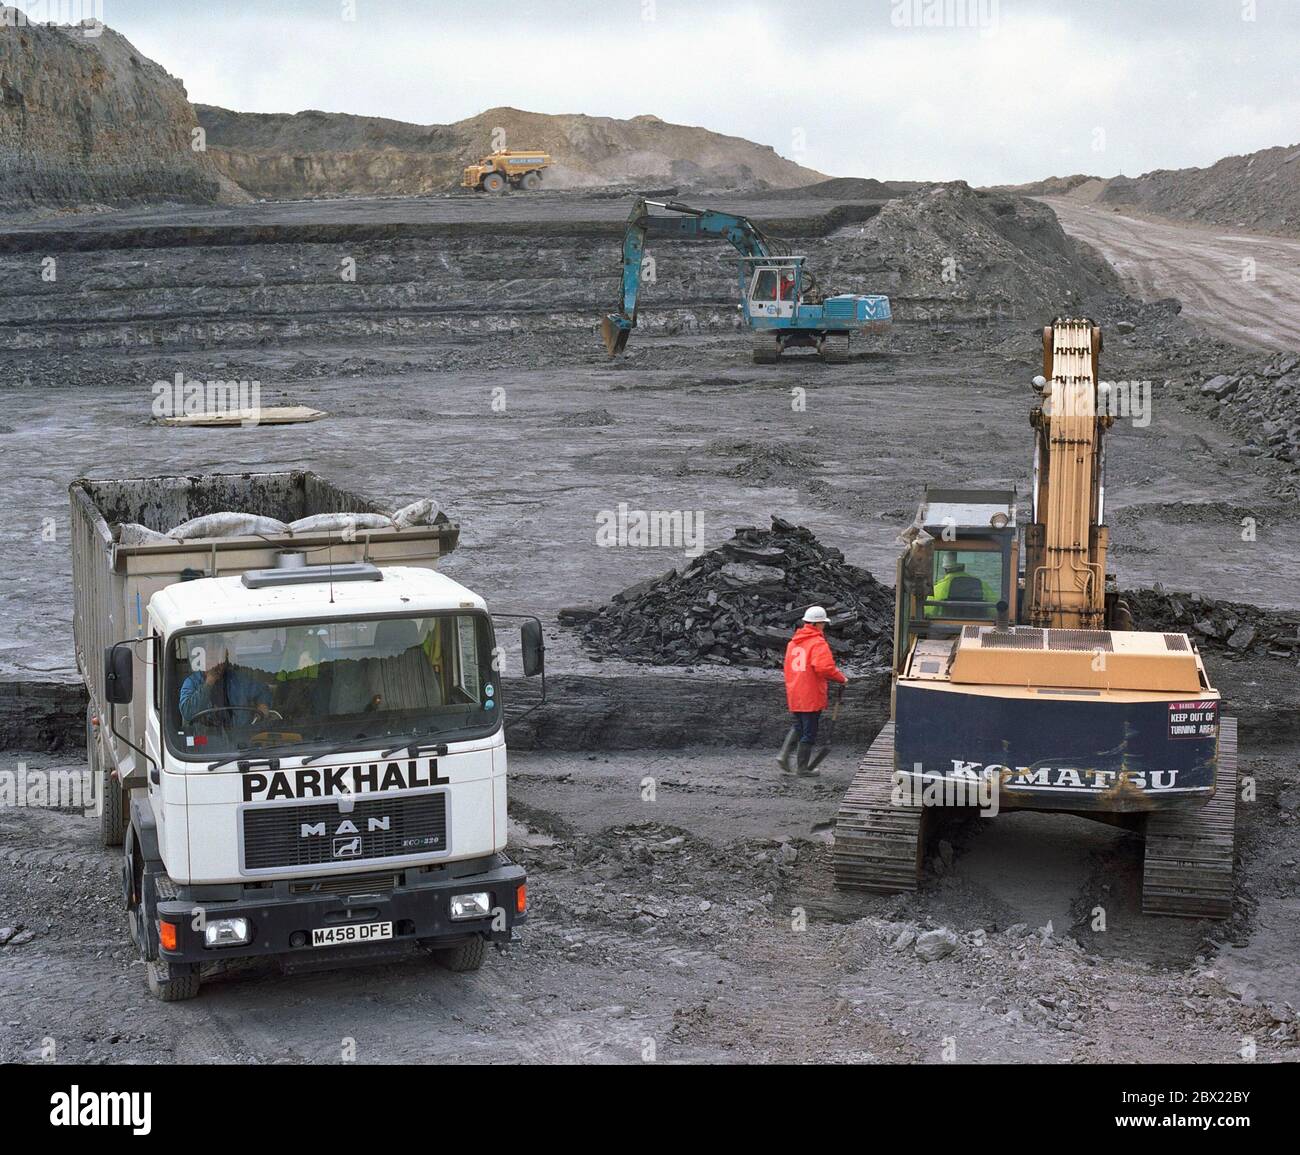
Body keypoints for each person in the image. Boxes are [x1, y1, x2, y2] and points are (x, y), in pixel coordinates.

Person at [779, 606, 848, 776]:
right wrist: (841, 678)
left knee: (798, 725)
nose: (824, 626)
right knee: (809, 731)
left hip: (795, 691)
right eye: (823, 623)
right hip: (810, 693)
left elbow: (787, 668)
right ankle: (802, 768)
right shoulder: (817, 642)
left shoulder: (793, 643)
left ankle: (784, 755)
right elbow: (824, 668)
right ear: (817, 624)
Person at [178, 635, 271, 727]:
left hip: (238, 735)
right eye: (212, 658)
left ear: (226, 659)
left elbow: (262, 690)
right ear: (204, 658)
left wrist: (263, 704)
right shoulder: (191, 682)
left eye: (220, 659)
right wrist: (208, 683)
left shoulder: (238, 680)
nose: (216, 664)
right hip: (205, 736)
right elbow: (187, 712)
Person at [924, 551, 998, 619]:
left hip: (946, 630)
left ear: (945, 568)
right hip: (977, 627)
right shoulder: (982, 585)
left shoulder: (937, 589)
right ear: (963, 566)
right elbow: (996, 612)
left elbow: (928, 614)